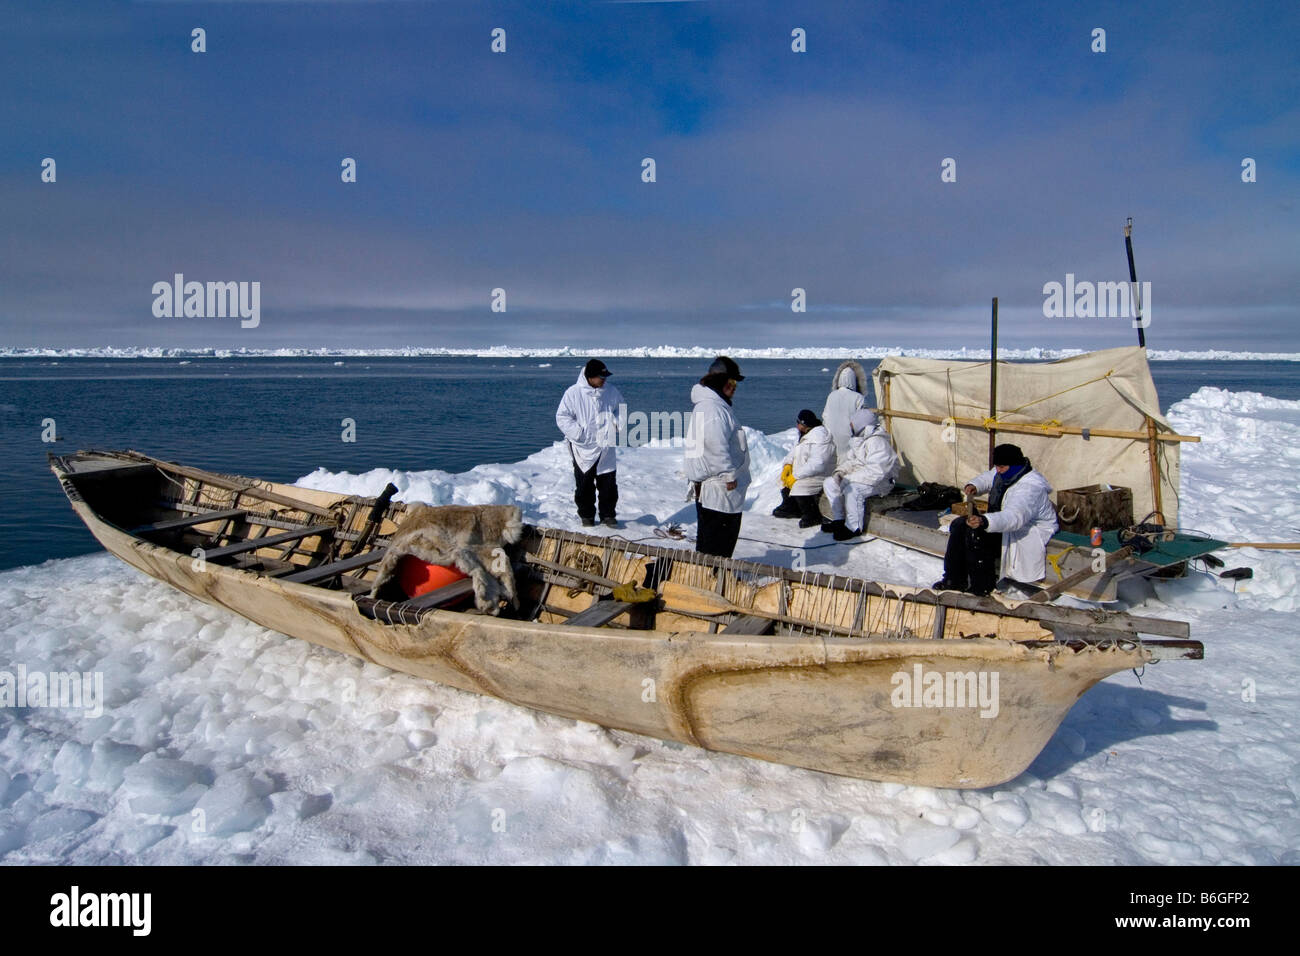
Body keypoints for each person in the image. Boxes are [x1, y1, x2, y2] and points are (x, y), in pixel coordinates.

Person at [934, 443, 1058, 596]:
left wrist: (985, 521)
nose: (998, 471)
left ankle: (982, 586)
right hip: (1001, 521)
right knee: (959, 524)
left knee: (976, 535)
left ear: (1014, 465)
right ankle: (953, 579)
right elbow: (990, 476)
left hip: (1026, 531)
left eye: (1001, 467)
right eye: (997, 466)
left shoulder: (1029, 488)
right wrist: (975, 485)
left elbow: (1014, 517)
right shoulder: (1007, 472)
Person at [684, 356, 750, 557]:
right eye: (731, 381)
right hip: (719, 490)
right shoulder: (713, 409)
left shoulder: (714, 406)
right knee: (717, 547)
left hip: (718, 491)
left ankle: (709, 578)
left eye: (735, 382)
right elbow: (714, 445)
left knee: (713, 545)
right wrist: (728, 475)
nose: (734, 386)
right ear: (718, 381)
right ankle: (710, 581)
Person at [555, 359, 624, 528]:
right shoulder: (573, 393)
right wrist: (579, 433)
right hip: (582, 447)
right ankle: (587, 516)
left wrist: (615, 423)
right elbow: (562, 417)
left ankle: (608, 515)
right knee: (584, 484)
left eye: (605, 376)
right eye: (601, 376)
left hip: (605, 446)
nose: (604, 380)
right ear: (590, 377)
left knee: (608, 483)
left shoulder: (611, 391)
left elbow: (621, 408)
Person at [822, 408, 899, 541]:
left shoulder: (877, 442)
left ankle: (853, 527)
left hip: (882, 482)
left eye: (852, 424)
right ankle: (839, 520)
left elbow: (877, 471)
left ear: (861, 424)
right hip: (864, 477)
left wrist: (849, 479)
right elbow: (853, 461)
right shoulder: (861, 440)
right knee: (830, 483)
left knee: (853, 491)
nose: (850, 427)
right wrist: (841, 472)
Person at [772, 409, 836, 528]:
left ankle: (812, 515)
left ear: (805, 424)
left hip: (820, 474)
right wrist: (788, 464)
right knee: (782, 480)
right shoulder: (807, 435)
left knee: (799, 486)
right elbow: (796, 451)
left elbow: (818, 464)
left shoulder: (820, 438)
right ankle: (792, 507)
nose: (797, 426)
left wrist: (795, 476)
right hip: (807, 472)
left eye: (799, 423)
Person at [821, 361, 868, 462]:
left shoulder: (831, 396)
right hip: (849, 444)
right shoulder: (858, 397)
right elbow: (862, 421)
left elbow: (825, 417)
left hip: (831, 441)